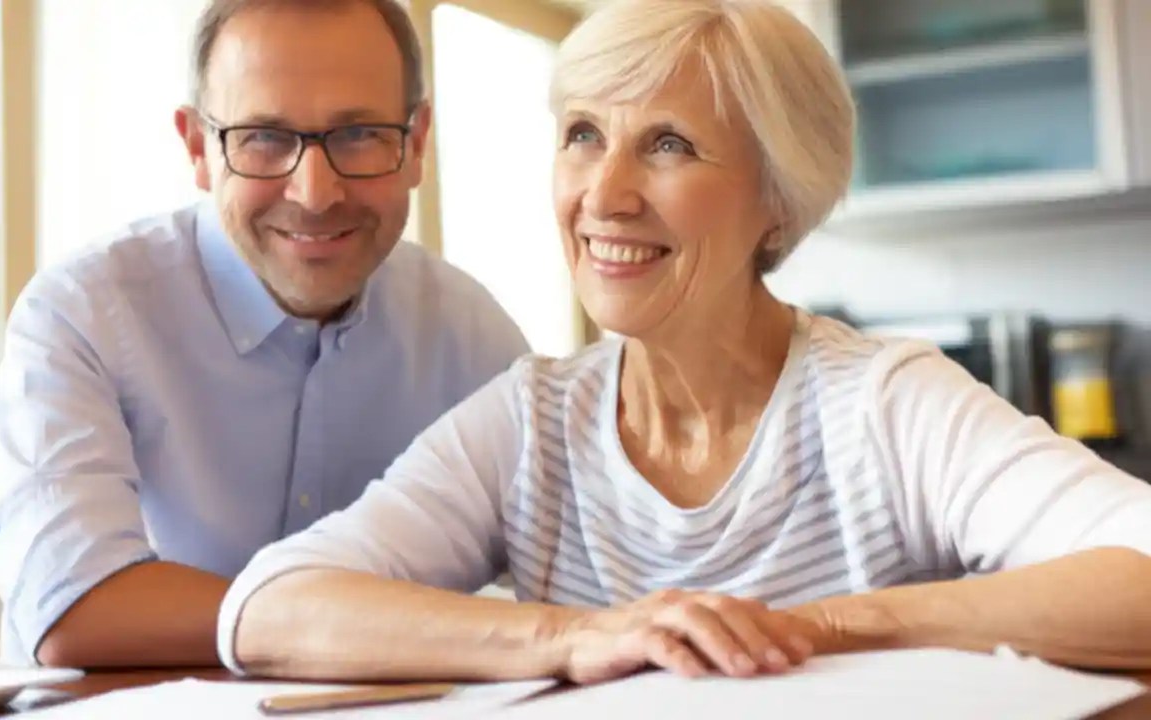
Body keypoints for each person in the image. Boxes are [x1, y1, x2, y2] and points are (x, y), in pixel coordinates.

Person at [215, 0, 1151, 685]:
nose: (605, 193)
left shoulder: (880, 402)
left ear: (777, 196)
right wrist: (574, 638)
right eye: (584, 134)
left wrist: (820, 626)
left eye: (667, 144)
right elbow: (270, 604)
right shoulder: (533, 419)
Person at [0, 0, 528, 668]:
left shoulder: (476, 340)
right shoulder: (80, 313)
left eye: (358, 134)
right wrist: (377, 625)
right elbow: (76, 608)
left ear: (415, 144)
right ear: (198, 148)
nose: (315, 192)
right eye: (264, 137)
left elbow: (566, 586)